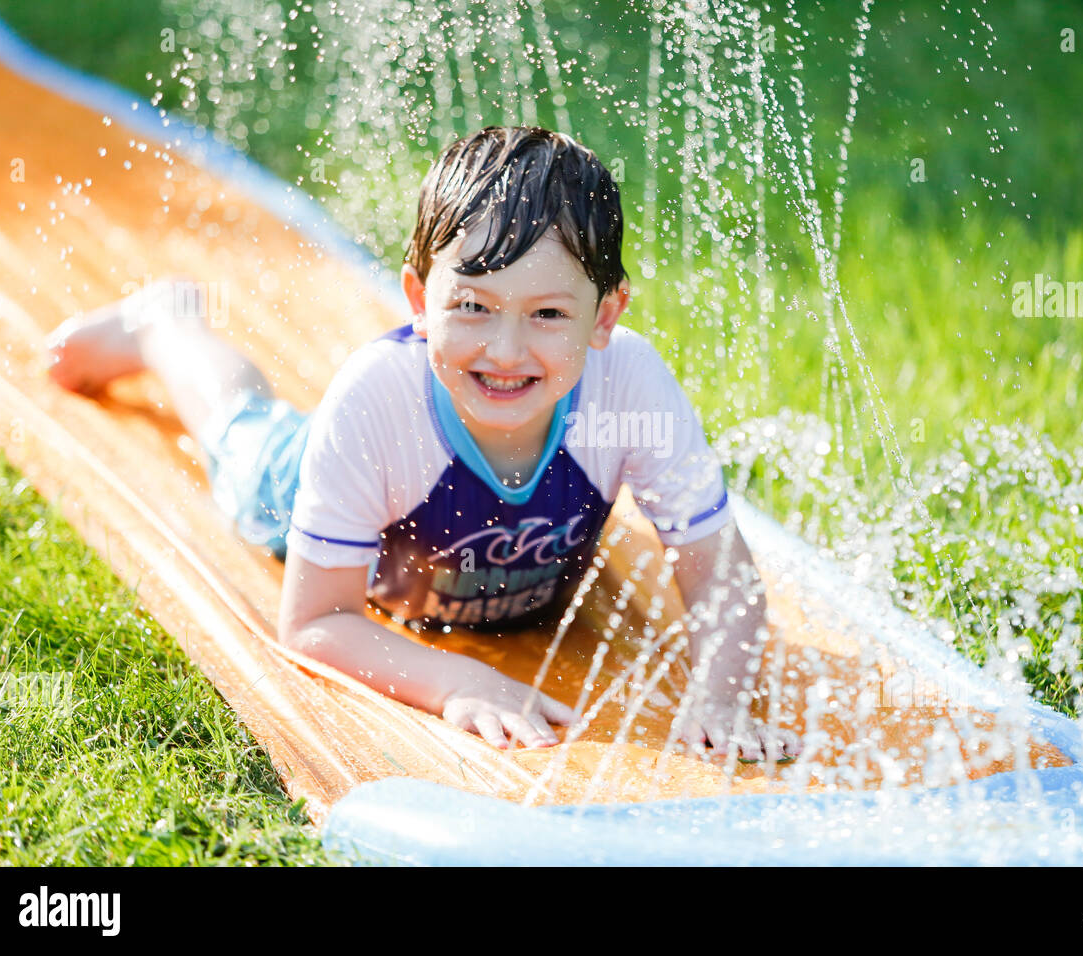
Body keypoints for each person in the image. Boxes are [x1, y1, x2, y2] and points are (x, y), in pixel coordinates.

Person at [45, 125, 799, 763]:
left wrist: (721, 698)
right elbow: (313, 622)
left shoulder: (629, 386)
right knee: (240, 425)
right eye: (471, 305)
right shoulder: (376, 405)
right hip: (300, 488)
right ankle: (163, 326)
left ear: (604, 318)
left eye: (546, 315)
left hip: (460, 561)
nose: (504, 351)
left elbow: (722, 577)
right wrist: (456, 682)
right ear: (418, 301)